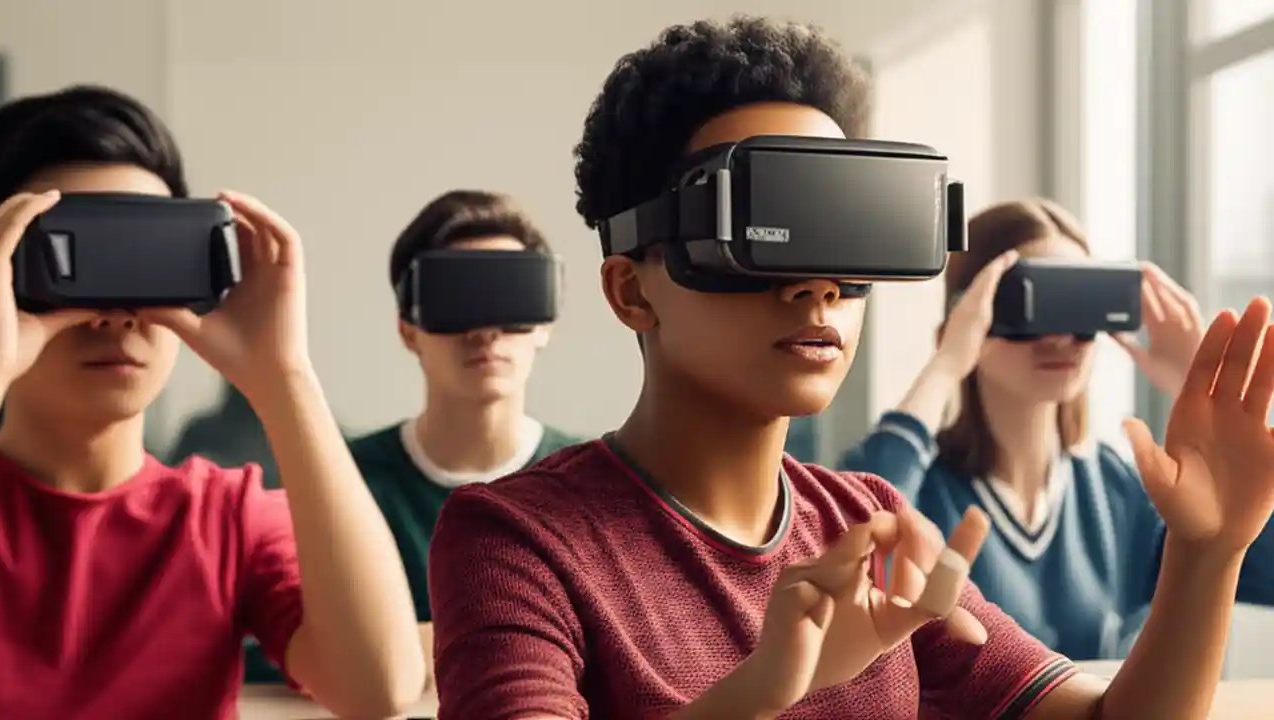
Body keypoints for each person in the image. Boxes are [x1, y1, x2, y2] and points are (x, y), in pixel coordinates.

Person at [426, 16, 1274, 719]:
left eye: (845, 235)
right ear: (632, 291)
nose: (817, 286)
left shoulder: (871, 525)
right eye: (766, 230)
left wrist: (1208, 552)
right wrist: (759, 695)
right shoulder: (515, 542)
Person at [0, 86, 423, 719]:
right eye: (72, 263)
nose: (116, 315)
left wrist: (284, 376)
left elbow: (379, 686)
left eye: (144, 258)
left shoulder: (227, 520)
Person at [841, 199, 1274, 660]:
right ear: (971, 317)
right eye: (1034, 305)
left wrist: (1205, 390)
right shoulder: (922, 490)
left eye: (1079, 304)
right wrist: (945, 365)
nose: (1061, 337)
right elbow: (842, 538)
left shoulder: (1119, 492)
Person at [342, 189, 581, 680]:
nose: (485, 330)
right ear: (409, 330)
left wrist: (406, 643)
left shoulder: (592, 485)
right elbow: (284, 646)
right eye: (457, 298)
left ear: (545, 325)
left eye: (510, 298)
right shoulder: (342, 482)